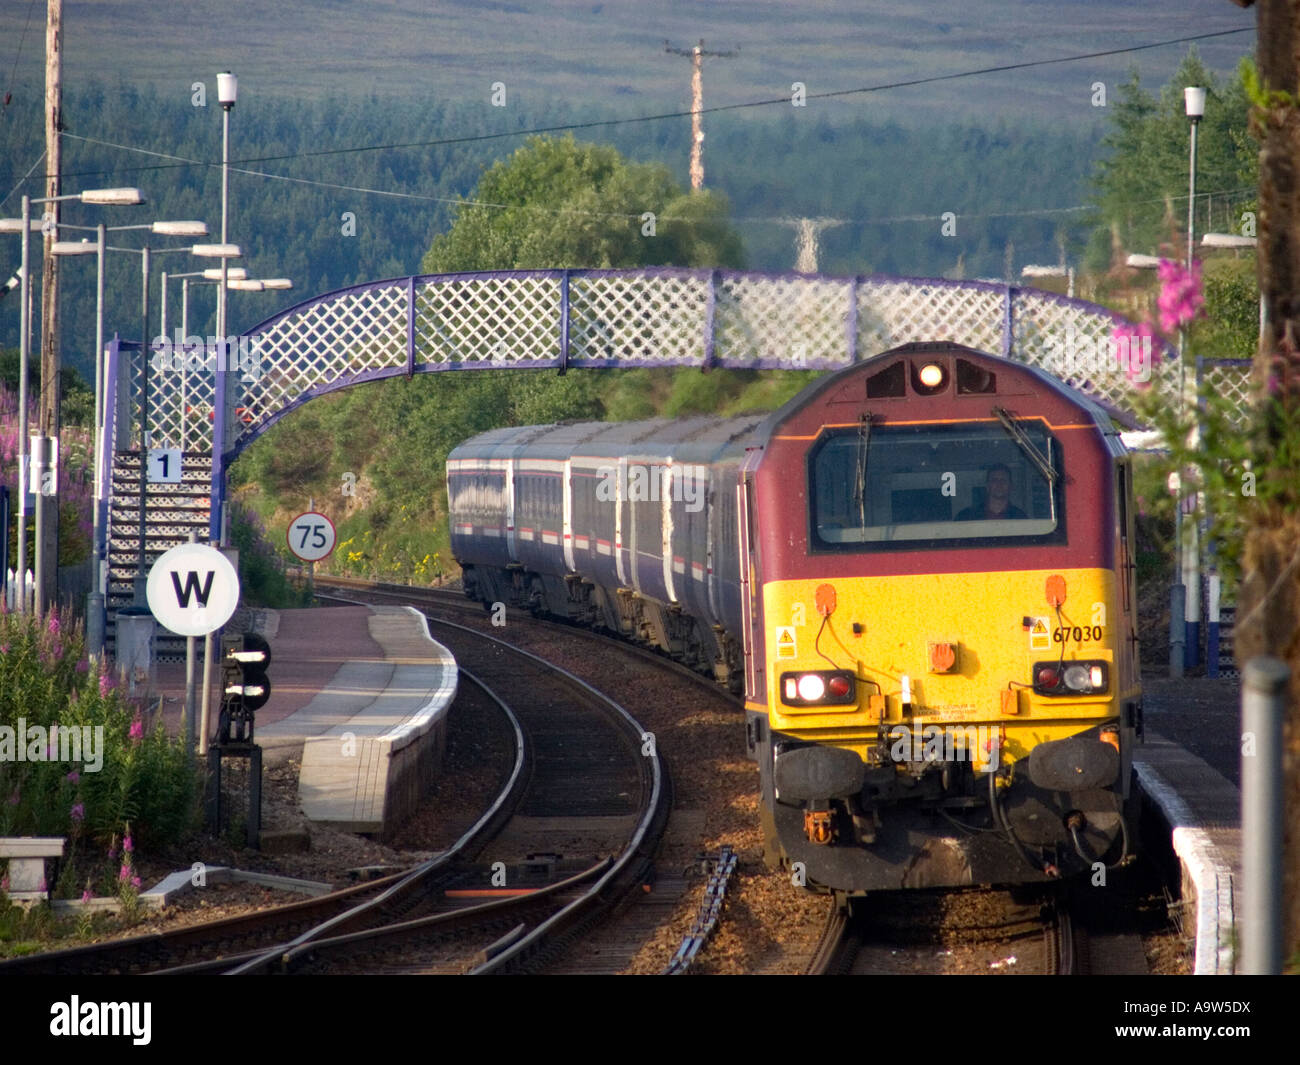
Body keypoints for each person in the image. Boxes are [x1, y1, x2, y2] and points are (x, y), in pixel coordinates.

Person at [956, 463, 1027, 520]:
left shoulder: (1020, 517)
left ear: (1011, 486)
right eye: (994, 480)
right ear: (987, 486)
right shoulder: (966, 516)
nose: (999, 484)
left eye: (1003, 480)